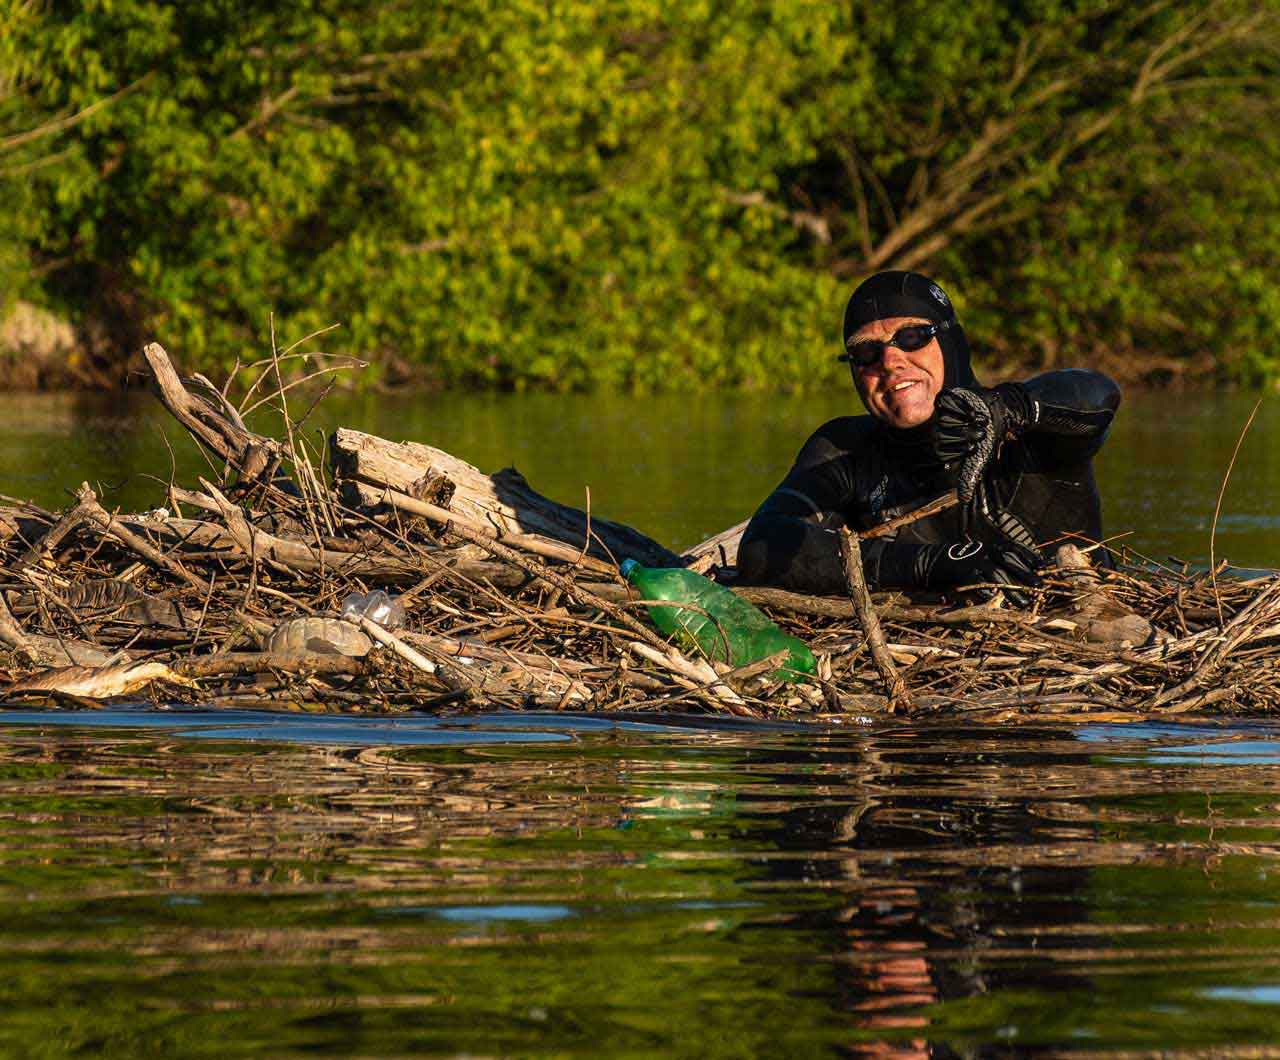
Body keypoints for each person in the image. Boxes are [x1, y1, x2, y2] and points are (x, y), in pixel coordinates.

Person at [736, 270, 1120, 598]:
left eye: (913, 337)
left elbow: (1100, 396)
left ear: (952, 343)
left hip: (1069, 642)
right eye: (866, 353)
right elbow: (761, 548)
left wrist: (1006, 410)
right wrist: (935, 564)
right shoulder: (846, 450)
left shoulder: (1032, 429)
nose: (890, 361)